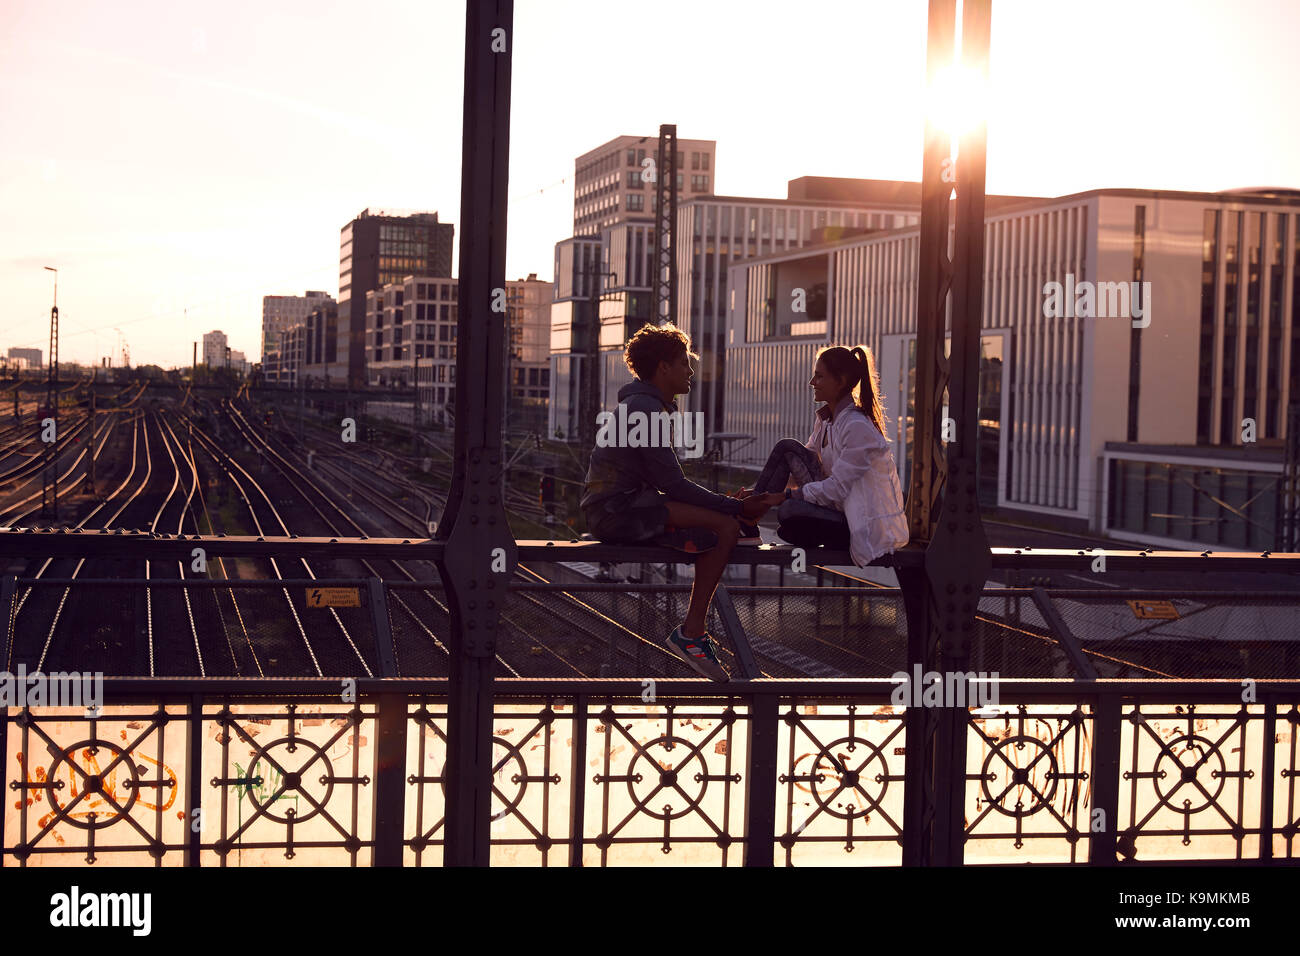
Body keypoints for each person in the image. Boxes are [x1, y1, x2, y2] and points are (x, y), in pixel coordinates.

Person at [582, 323, 772, 682]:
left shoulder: (642, 406)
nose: (690, 370)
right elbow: (673, 485)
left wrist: (719, 503)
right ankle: (691, 634)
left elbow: (667, 484)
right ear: (663, 368)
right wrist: (731, 508)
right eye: (684, 363)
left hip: (618, 508)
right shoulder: (645, 410)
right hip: (618, 512)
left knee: (719, 521)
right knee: (727, 527)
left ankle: (690, 620)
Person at [738, 345, 909, 567]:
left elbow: (838, 490)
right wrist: (760, 493)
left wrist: (783, 497)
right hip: (838, 513)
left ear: (841, 381)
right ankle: (748, 518)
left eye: (819, 376)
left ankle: (746, 520)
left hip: (860, 525)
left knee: (790, 510)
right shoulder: (827, 421)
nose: (812, 383)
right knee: (787, 449)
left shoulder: (857, 426)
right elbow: (802, 467)